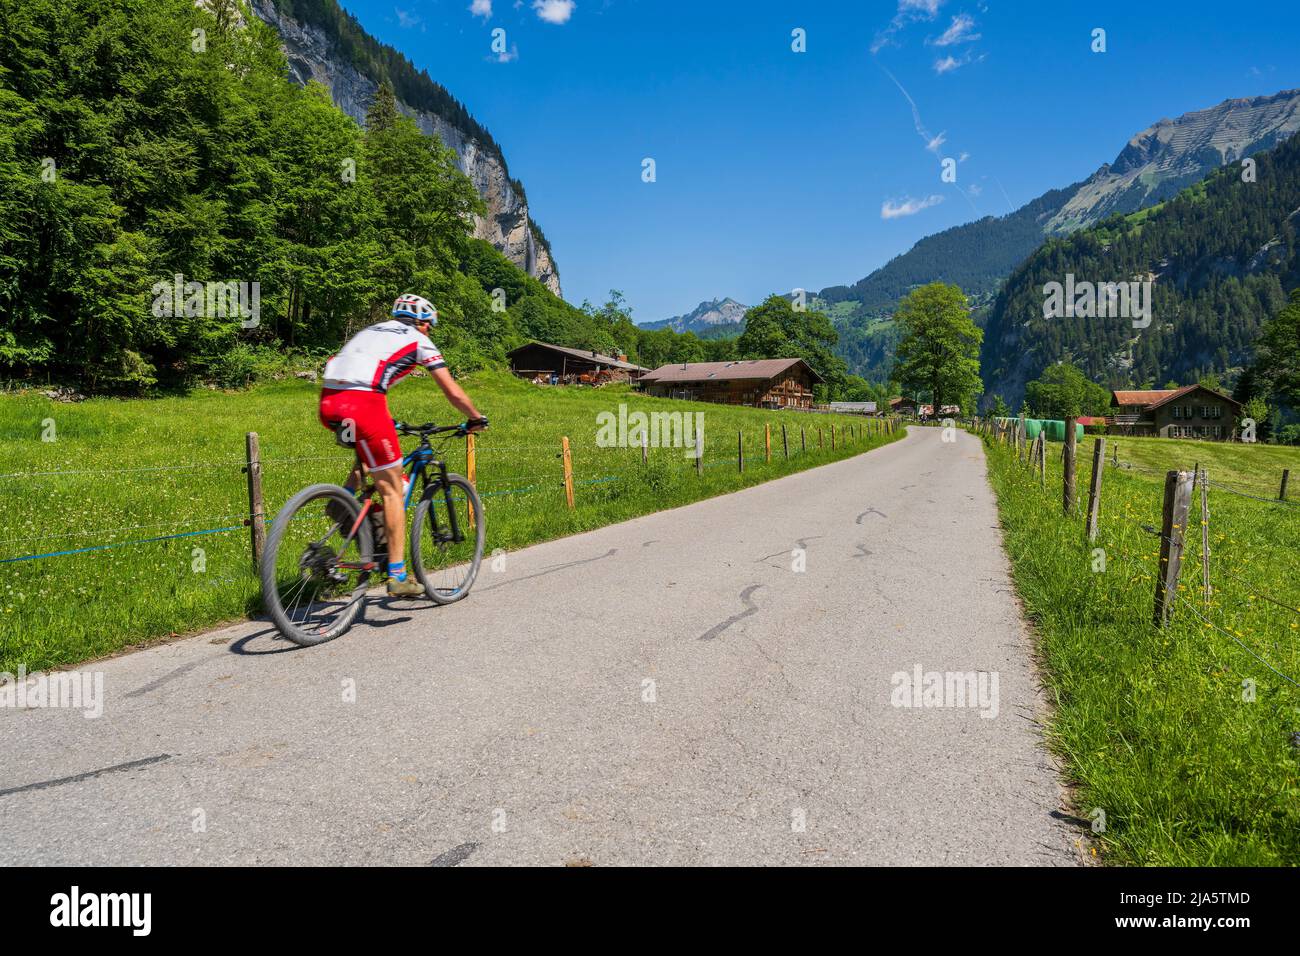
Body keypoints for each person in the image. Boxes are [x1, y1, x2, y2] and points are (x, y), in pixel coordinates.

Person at [319, 293, 486, 597]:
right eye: (430, 326)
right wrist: (475, 417)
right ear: (422, 323)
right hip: (364, 403)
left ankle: (342, 502)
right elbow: (452, 392)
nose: (429, 331)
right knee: (393, 488)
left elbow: (354, 371)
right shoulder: (418, 339)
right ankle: (397, 575)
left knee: (370, 461)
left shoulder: (370, 331)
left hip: (330, 402)